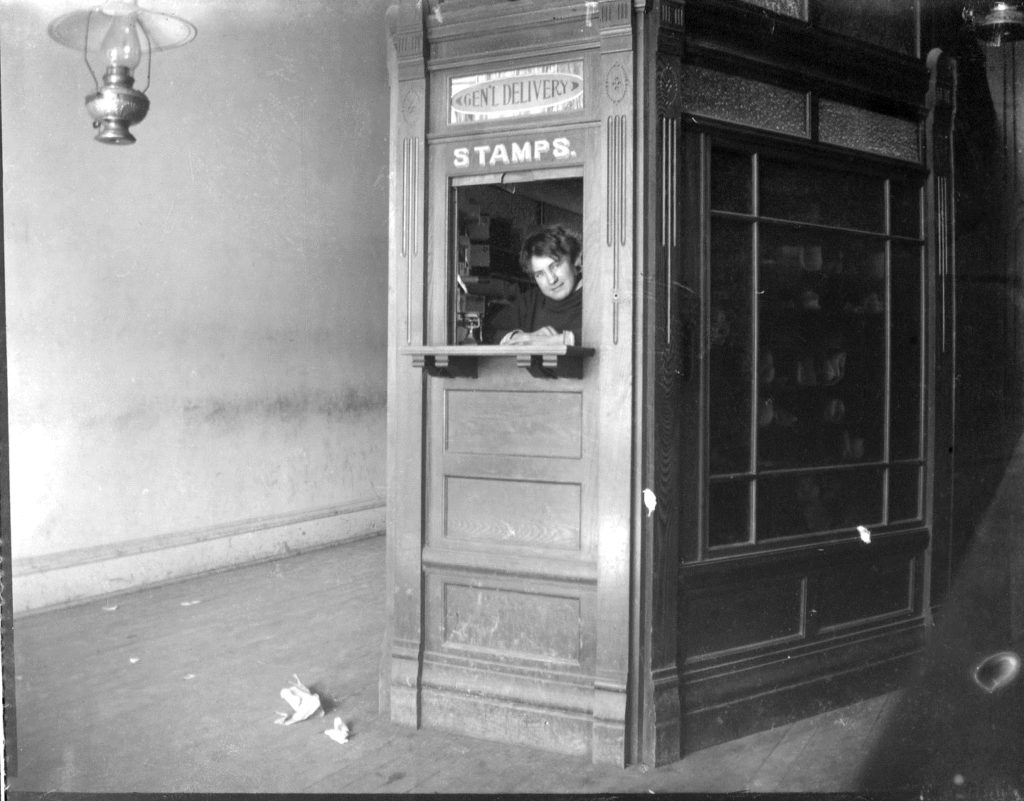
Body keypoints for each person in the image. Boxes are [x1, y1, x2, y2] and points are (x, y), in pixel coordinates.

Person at [486, 224, 583, 345]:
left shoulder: (597, 298)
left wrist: (558, 340)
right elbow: (490, 331)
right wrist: (519, 337)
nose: (552, 280)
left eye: (555, 266)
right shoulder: (530, 302)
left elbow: (609, 337)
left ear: (575, 261)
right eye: (540, 274)